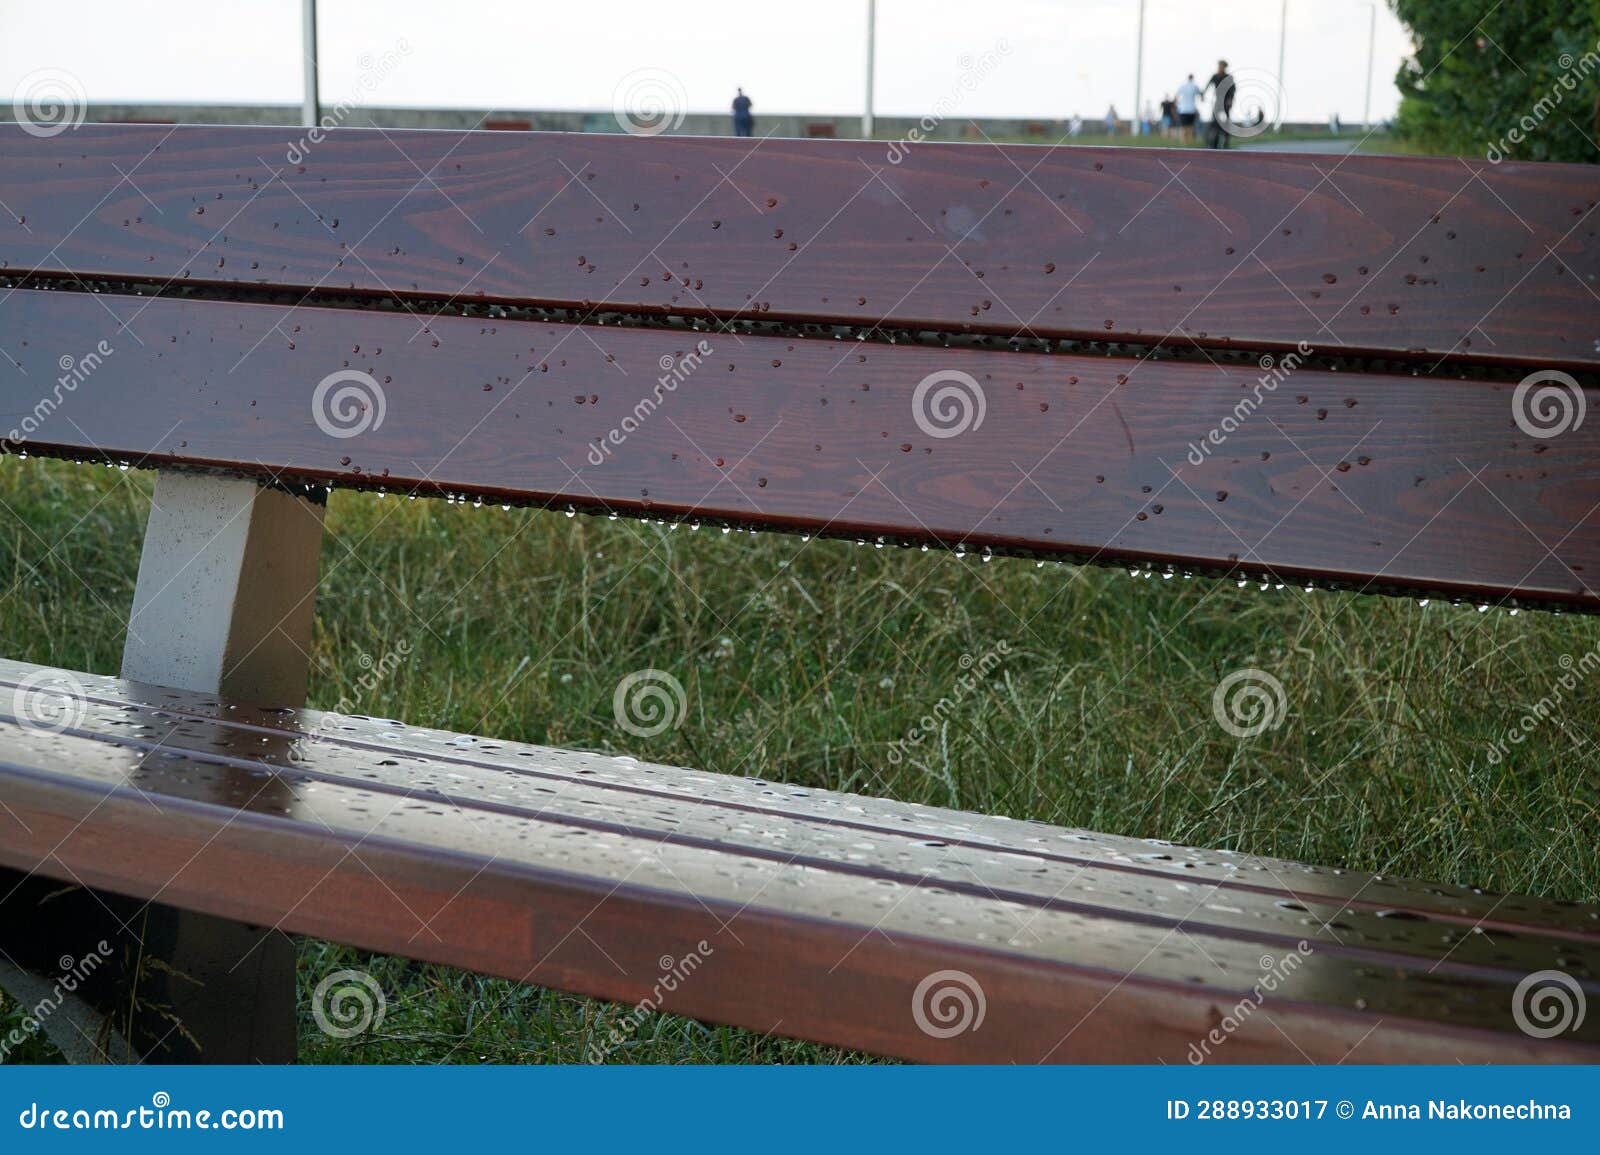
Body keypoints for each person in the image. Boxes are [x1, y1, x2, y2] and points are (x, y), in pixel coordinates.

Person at [1203, 60, 1234, 148]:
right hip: (1218, 101)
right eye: (1219, 66)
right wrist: (1203, 94)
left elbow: (1233, 89)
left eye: (1222, 66)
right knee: (1215, 121)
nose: (1220, 68)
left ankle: (1226, 142)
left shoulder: (1228, 77)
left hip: (1226, 102)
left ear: (1225, 67)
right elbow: (1208, 85)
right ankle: (1213, 142)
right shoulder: (1215, 76)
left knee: (1226, 121)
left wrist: (1230, 99)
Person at [1174, 74, 1201, 143]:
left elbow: (1176, 97)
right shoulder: (1195, 86)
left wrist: (1177, 105)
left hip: (1183, 109)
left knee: (1183, 127)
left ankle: (1183, 141)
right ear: (1193, 78)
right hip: (1191, 109)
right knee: (1190, 126)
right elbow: (1201, 95)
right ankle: (1188, 141)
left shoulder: (1182, 86)